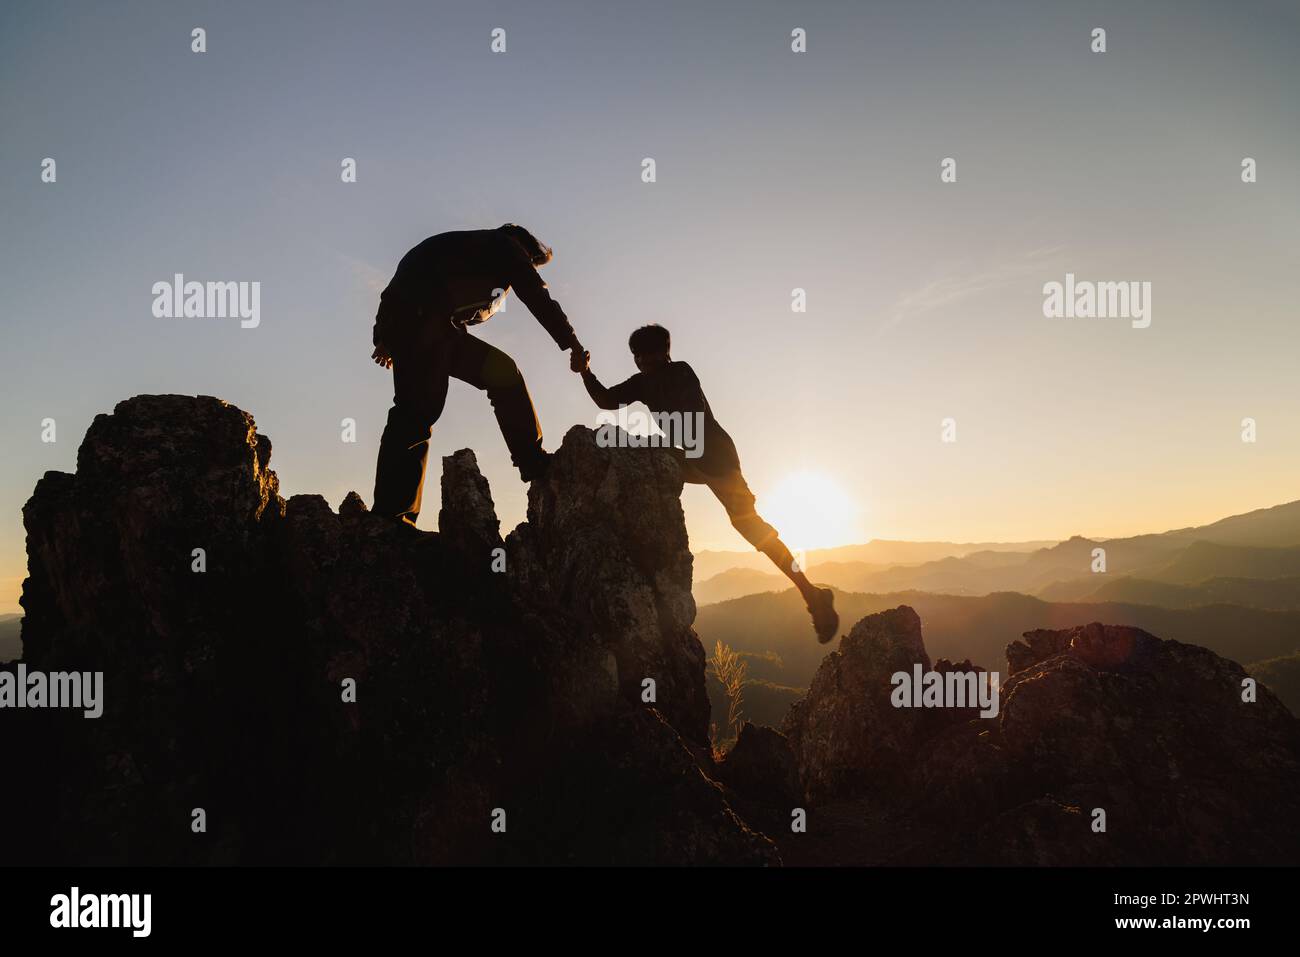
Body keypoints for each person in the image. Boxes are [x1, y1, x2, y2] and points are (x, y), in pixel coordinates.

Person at [572, 324, 840, 644]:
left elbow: (694, 423)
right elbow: (606, 400)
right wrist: (585, 372)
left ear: (661, 353)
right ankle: (813, 595)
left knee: (752, 528)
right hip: (696, 458)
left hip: (716, 459)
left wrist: (663, 449)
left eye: (643, 355)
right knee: (747, 525)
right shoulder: (643, 383)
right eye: (636, 356)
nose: (639, 361)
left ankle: (813, 595)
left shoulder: (681, 373)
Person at [370, 224, 586, 525]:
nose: (526, 269)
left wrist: (385, 333)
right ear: (523, 248)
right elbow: (537, 296)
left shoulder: (471, 247)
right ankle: (391, 516)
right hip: (425, 325)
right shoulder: (505, 246)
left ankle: (531, 461)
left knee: (500, 374)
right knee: (417, 411)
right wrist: (572, 342)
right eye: (530, 262)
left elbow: (399, 283)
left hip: (436, 328)